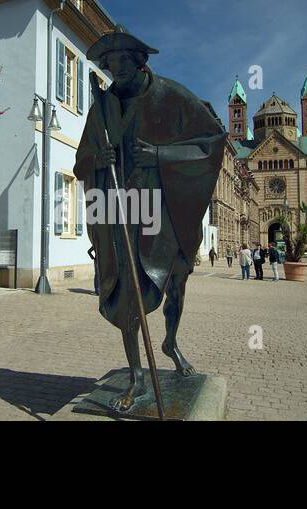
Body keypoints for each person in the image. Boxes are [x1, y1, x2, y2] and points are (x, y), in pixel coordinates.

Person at [74, 27, 225, 412]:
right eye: (110, 63)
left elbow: (212, 142)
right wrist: (97, 160)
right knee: (126, 294)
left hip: (165, 211)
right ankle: (138, 375)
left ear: (140, 61)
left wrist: (160, 155)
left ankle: (170, 341)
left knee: (175, 282)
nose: (117, 68)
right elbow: (80, 163)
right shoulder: (101, 107)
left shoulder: (171, 95)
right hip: (120, 213)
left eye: (124, 60)